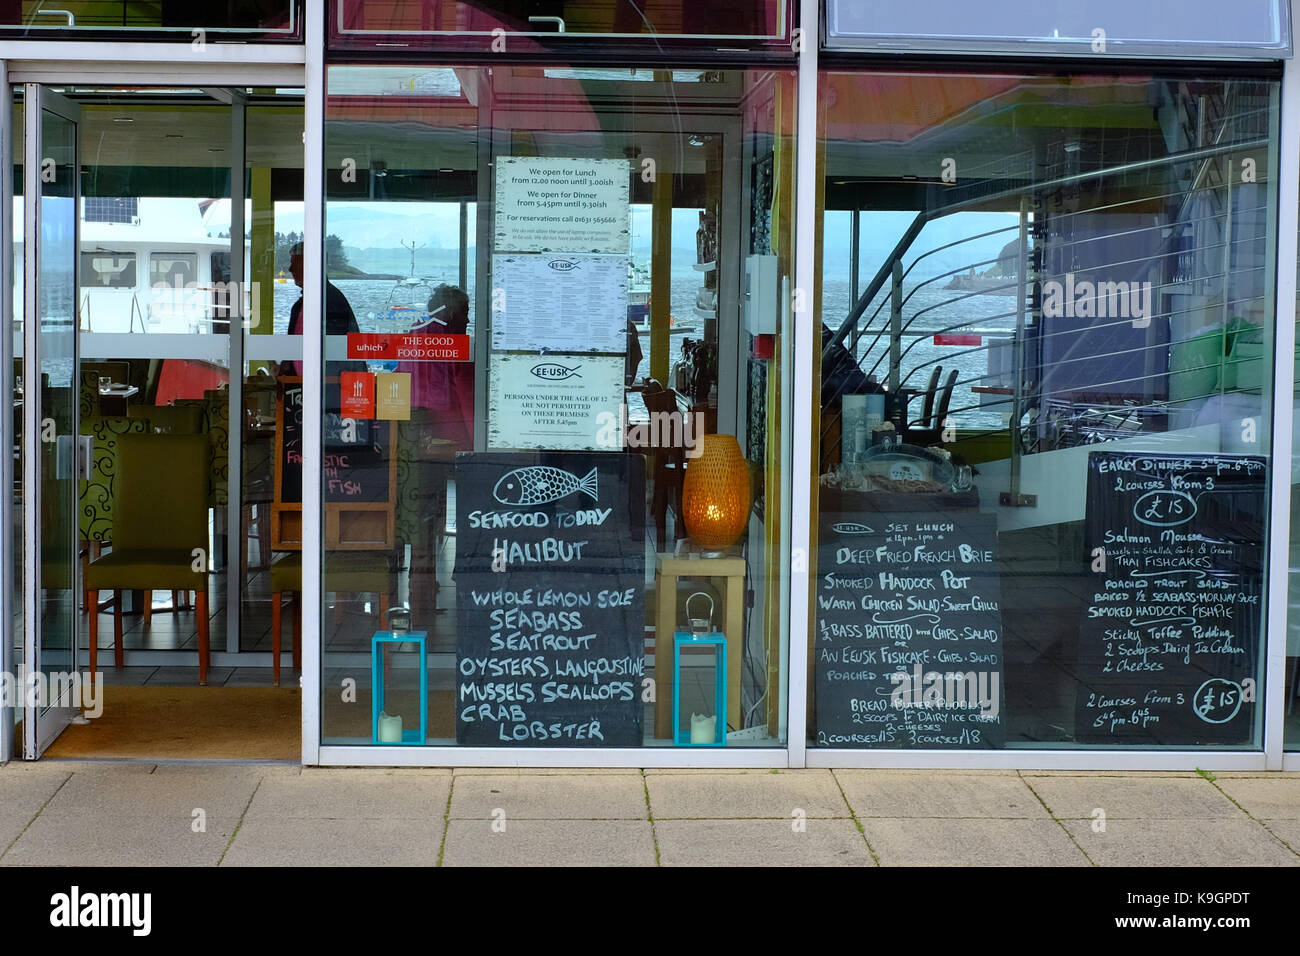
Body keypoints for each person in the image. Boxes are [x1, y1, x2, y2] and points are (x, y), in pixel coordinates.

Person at [280, 241, 360, 377]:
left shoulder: (331, 302)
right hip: (302, 386)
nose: (290, 269)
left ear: (310, 264)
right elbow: (295, 349)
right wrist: (285, 368)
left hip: (326, 386)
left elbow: (336, 354)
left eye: (295, 263)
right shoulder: (300, 306)